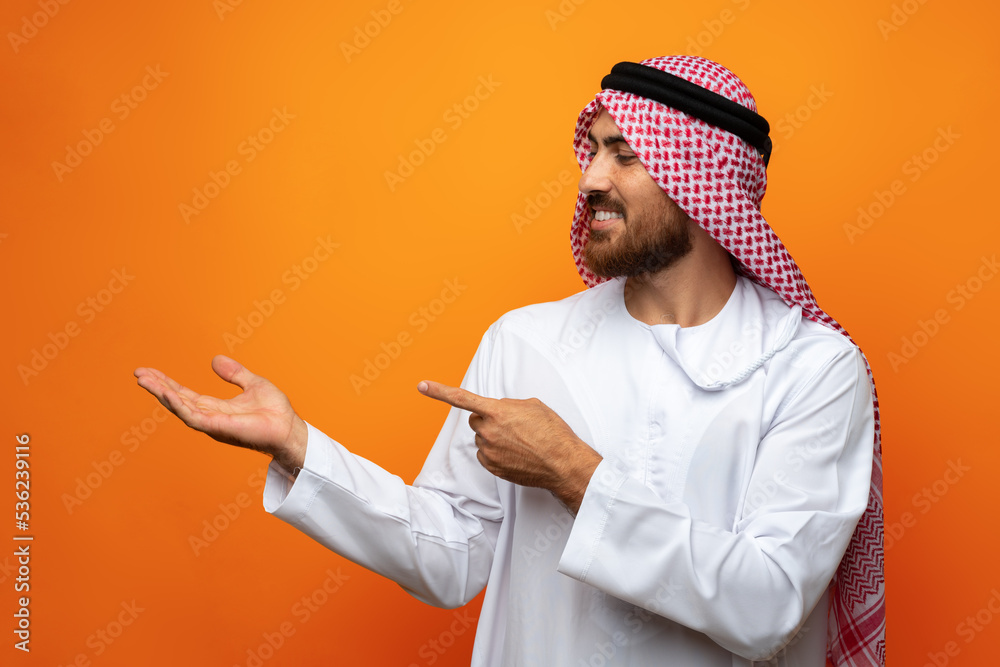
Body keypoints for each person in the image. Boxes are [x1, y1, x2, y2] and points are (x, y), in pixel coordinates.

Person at [135, 55, 884, 666]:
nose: (590, 179)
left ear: (704, 181)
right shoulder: (527, 342)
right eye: (592, 151)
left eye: (624, 154)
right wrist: (301, 449)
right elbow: (451, 554)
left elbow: (766, 605)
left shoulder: (812, 369)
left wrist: (572, 470)